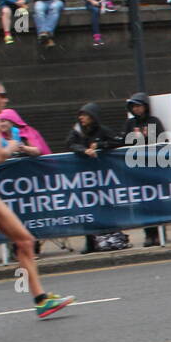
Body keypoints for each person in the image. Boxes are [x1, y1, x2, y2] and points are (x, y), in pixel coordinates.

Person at [0, 79, 75, 316]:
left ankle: (41, 299)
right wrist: (12, 145)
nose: (5, 100)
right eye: (2, 95)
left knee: (25, 241)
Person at [66, 102, 124, 253]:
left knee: (106, 206)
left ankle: (110, 238)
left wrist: (100, 145)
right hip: (84, 176)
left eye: (85, 115)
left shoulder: (102, 130)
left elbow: (118, 141)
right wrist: (84, 150)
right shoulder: (77, 131)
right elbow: (70, 144)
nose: (81, 118)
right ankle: (90, 242)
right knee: (87, 210)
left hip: (103, 175)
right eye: (80, 115)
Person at [122, 93, 169, 246]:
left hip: (154, 166)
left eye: (139, 106)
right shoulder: (130, 123)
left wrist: (150, 137)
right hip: (138, 167)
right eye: (134, 107)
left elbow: (163, 141)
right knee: (143, 202)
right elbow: (125, 142)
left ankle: (160, 233)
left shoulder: (153, 122)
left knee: (158, 201)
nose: (136, 109)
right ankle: (148, 233)